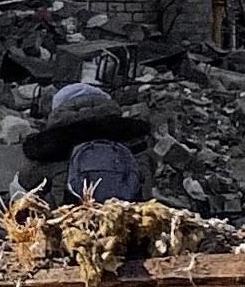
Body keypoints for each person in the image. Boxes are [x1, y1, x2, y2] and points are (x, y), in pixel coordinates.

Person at [18, 81, 153, 204]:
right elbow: (150, 173)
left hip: (70, 216)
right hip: (130, 214)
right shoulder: (135, 134)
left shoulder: (47, 145)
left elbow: (26, 181)